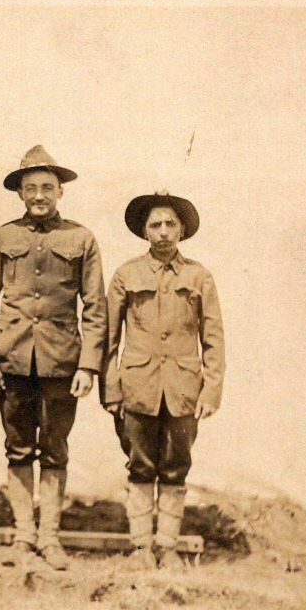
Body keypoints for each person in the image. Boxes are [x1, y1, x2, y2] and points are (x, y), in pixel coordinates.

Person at [0, 145, 106, 571]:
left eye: (47, 187)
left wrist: (88, 365)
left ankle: (49, 536)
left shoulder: (81, 238)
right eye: (31, 188)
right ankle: (23, 535)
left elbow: (96, 307)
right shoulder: (2, 237)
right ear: (20, 194)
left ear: (61, 192)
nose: (39, 195)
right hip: (12, 360)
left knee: (55, 450)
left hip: (60, 363)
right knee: (17, 449)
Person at [101, 190, 225, 570]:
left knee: (175, 465)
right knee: (139, 465)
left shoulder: (199, 276)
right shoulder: (127, 274)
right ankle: (140, 547)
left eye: (171, 224)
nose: (163, 231)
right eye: (155, 224)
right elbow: (109, 336)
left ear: (183, 229)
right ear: (144, 230)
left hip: (183, 389)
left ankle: (167, 546)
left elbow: (214, 337)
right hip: (138, 387)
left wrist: (211, 391)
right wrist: (111, 388)